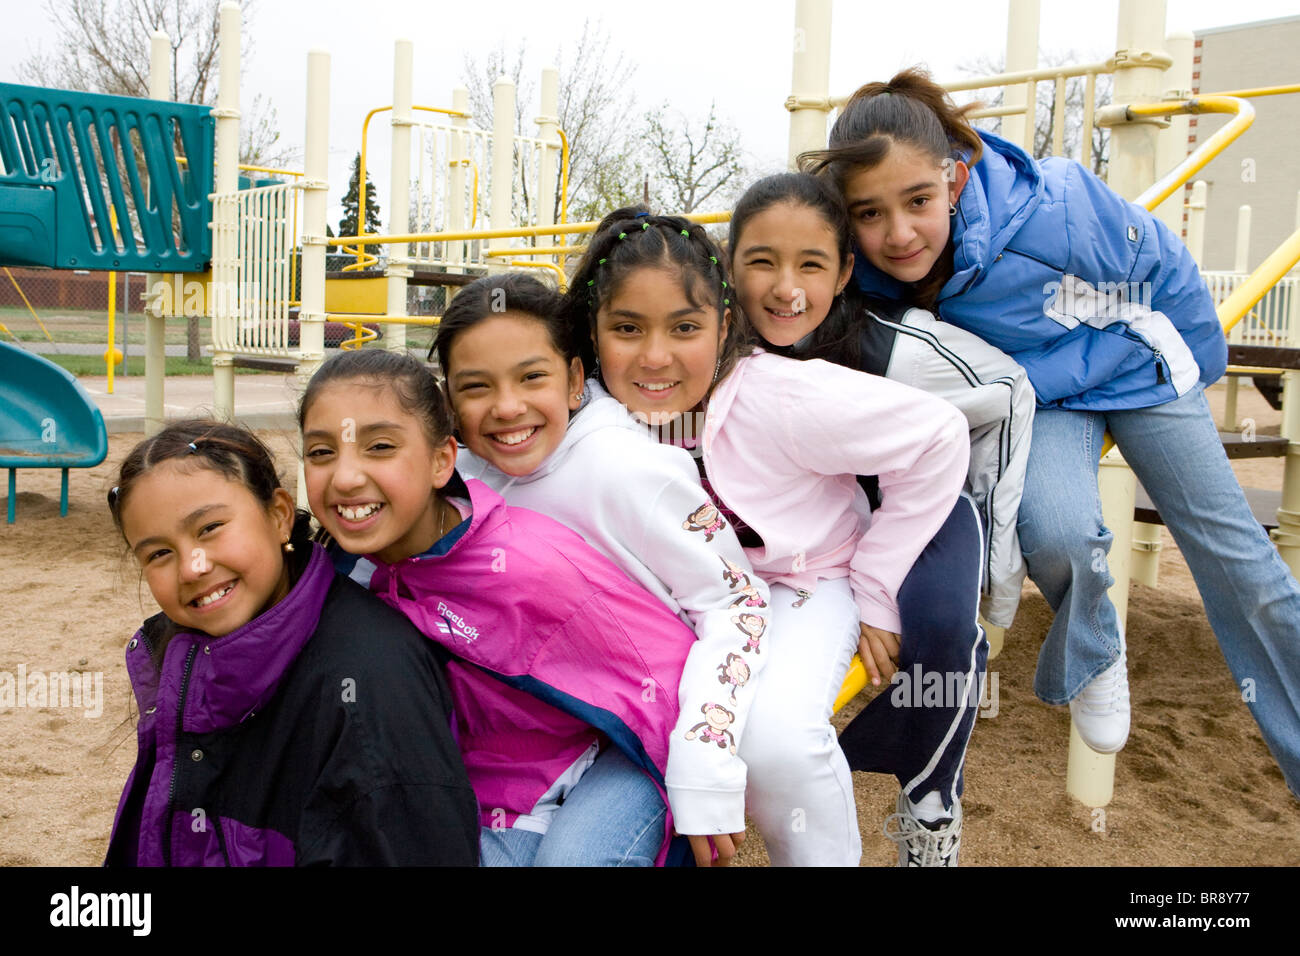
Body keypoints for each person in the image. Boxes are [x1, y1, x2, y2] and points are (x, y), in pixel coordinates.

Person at [803, 67, 1300, 795]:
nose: (899, 234)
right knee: (1056, 533)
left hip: (1139, 371)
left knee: (1239, 564)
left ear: (957, 178)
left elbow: (1165, 270)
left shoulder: (1056, 208)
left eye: (917, 202)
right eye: (870, 215)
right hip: (1047, 400)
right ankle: (1096, 651)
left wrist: (1195, 362)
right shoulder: (869, 277)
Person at [561, 207, 973, 865]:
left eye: (685, 328)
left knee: (774, 743)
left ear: (725, 327)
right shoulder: (593, 414)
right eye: (627, 329)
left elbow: (939, 435)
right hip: (695, 599)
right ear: (592, 333)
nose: (656, 356)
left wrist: (876, 582)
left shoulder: (779, 396)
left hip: (802, 581)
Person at [727, 170, 1033, 862]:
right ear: (729, 266)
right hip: (820, 518)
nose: (786, 287)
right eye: (762, 262)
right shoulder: (714, 344)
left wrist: (996, 539)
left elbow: (1009, 393)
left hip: (918, 498)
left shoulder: (895, 346)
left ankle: (930, 800)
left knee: (944, 626)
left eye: (811, 264)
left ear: (843, 274)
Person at [298, 348, 701, 866]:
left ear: (443, 460)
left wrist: (703, 787)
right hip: (489, 787)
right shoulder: (342, 572)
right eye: (321, 452)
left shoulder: (527, 567)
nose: (346, 477)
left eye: (379, 447)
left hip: (619, 757)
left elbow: (665, 673)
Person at [433, 272, 772, 867]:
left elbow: (737, 602)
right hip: (529, 742)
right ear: (451, 405)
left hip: (637, 733)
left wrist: (704, 752)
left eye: (531, 377)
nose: (507, 407)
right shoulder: (460, 480)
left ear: (571, 379)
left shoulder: (632, 470)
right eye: (476, 387)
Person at [103, 419, 479, 866]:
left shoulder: (372, 682)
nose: (191, 567)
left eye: (210, 528)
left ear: (279, 514)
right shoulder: (183, 654)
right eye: (159, 553)